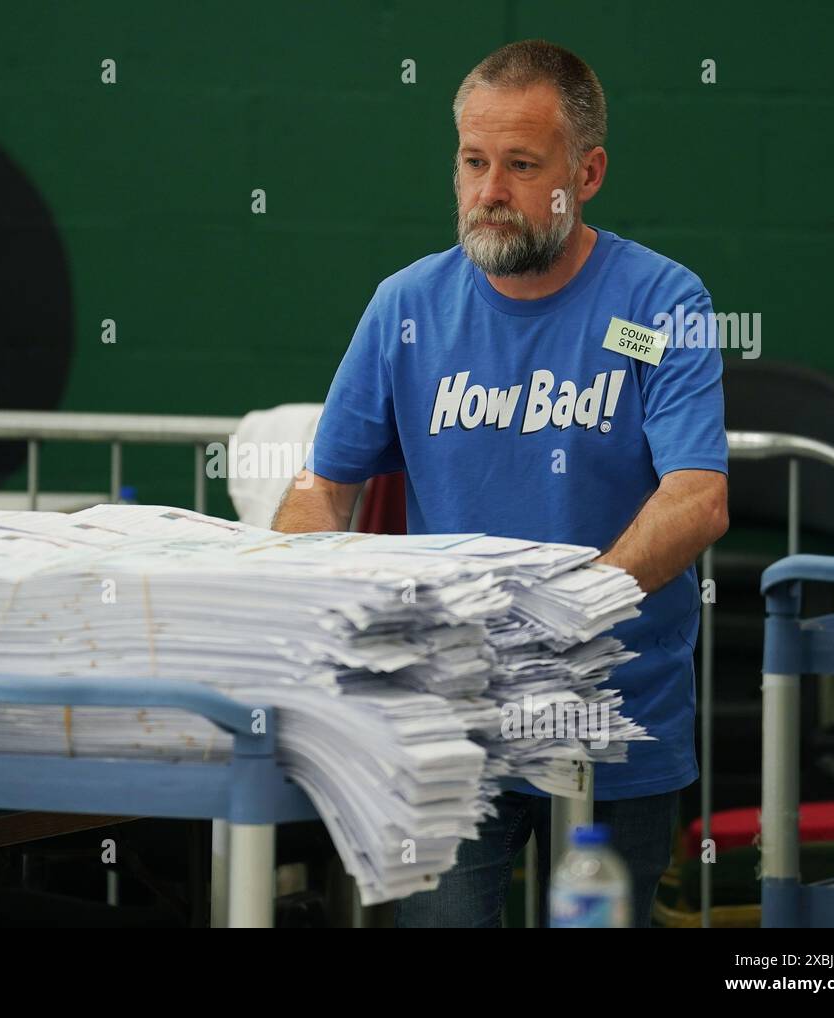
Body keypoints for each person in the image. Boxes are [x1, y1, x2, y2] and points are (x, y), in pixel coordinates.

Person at [271, 39, 729, 927]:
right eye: (474, 162)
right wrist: (284, 597)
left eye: (522, 165)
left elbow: (697, 496)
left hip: (615, 721)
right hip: (455, 727)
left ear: (586, 172)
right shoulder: (405, 307)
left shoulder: (661, 304)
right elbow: (323, 488)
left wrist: (566, 616)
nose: (489, 192)